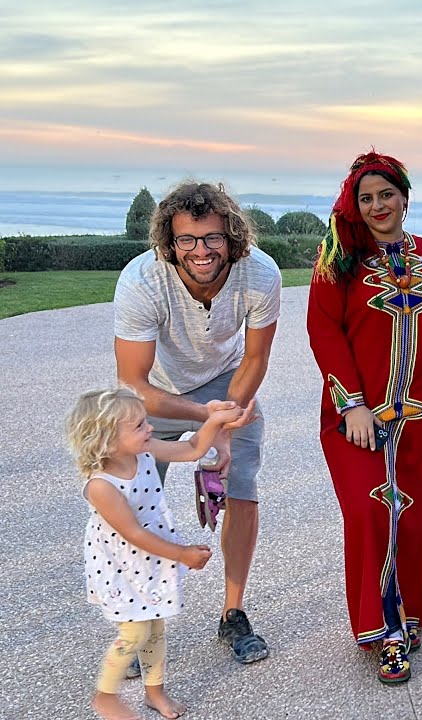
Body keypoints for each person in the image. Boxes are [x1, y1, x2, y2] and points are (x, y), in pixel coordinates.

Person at [114, 181, 281, 665]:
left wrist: (224, 427)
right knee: (135, 500)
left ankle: (233, 613)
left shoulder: (260, 273)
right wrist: (201, 423)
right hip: (157, 392)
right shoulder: (142, 280)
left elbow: (255, 358)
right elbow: (132, 384)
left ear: (231, 236)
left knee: (242, 491)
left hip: (229, 384)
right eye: (187, 239)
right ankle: (139, 623)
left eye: (212, 237)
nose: (200, 250)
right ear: (170, 241)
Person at [307, 152, 422, 684]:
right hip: (355, 417)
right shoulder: (338, 259)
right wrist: (352, 404)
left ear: (405, 198)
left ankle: (408, 614)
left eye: (386, 195)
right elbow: (324, 331)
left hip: (420, 414)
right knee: (370, 513)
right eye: (366, 198)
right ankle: (386, 630)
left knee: (413, 515)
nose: (376, 206)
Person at [70, 386, 256, 720]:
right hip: (121, 565)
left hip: (148, 556)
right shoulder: (101, 486)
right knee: (135, 631)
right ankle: (105, 695)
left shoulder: (144, 451)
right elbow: (133, 533)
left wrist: (216, 421)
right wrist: (181, 554)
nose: (150, 428)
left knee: (155, 626)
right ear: (107, 441)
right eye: (139, 425)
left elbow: (191, 447)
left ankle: (155, 692)